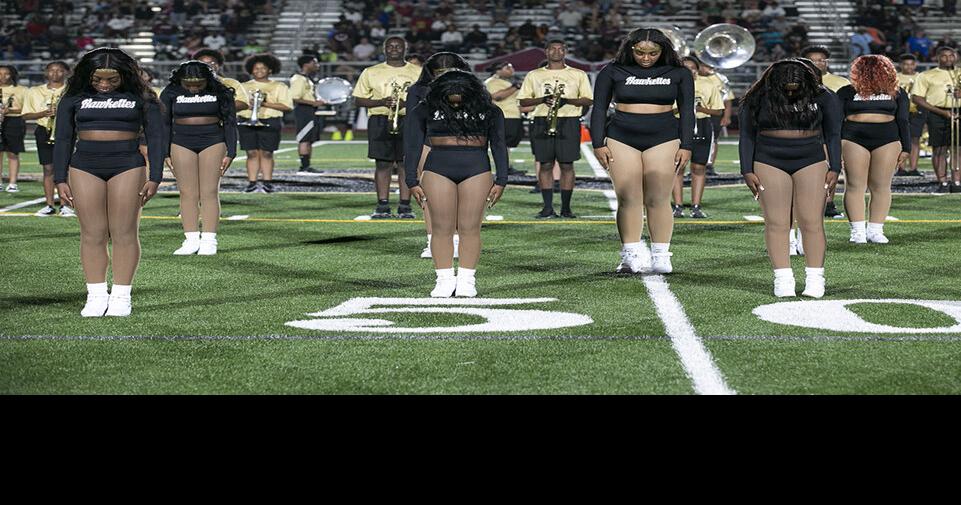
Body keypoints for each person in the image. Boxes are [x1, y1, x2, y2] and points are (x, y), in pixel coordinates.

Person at [52, 47, 164, 317]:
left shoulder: (143, 98)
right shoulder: (72, 98)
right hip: (85, 165)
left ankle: (122, 296)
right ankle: (96, 295)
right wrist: (60, 178)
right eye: (97, 80)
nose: (104, 85)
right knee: (93, 233)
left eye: (111, 80)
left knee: (124, 232)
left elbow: (157, 138)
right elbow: (64, 139)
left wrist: (156, 176)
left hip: (127, 163)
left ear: (124, 75)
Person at [590, 28, 694, 274]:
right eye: (640, 53)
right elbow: (599, 109)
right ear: (630, 49)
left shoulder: (679, 73)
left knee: (658, 197)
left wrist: (687, 145)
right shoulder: (612, 71)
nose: (646, 58)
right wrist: (598, 143)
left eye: (653, 53)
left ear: (663, 51)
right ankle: (630, 254)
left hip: (664, 136)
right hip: (622, 136)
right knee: (628, 196)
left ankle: (661, 254)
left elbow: (687, 111)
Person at [739, 59, 842, 298]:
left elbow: (833, 134)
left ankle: (816, 278)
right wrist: (747, 169)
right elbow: (746, 136)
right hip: (768, 159)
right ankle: (783, 278)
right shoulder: (757, 98)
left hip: (811, 158)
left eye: (796, 87)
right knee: (777, 222)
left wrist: (835, 167)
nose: (790, 92)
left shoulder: (824, 97)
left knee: (812, 221)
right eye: (786, 87)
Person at [405, 70, 507, 297]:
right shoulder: (424, 109)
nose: (456, 93)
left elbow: (499, 146)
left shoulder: (490, 111)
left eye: (460, 89)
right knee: (442, 228)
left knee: (470, 227)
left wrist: (502, 179)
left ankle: (467, 280)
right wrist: (411, 180)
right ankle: (443, 279)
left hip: (477, 168)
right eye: (451, 89)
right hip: (438, 168)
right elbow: (412, 146)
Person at [160, 60, 237, 256]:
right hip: (180, 141)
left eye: (199, 85)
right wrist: (165, 151)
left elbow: (229, 122)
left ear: (207, 81)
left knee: (209, 192)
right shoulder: (170, 92)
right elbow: (165, 124)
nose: (193, 89)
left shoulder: (221, 92)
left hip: (213, 140)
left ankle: (209, 240)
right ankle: (191, 239)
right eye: (189, 85)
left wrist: (231, 152)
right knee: (187, 192)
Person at [837, 55, 911, 245]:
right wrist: (834, 146)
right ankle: (858, 230)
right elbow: (836, 122)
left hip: (887, 138)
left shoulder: (898, 92)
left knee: (881, 186)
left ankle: (876, 230)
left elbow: (903, 120)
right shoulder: (845, 91)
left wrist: (906, 147)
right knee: (855, 185)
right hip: (853, 138)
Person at [518, 39, 593, 219]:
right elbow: (523, 101)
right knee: (545, 164)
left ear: (565, 51)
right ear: (546, 52)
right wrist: (543, 99)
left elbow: (588, 100)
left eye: (561, 49)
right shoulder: (534, 75)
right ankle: (547, 207)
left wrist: (566, 101)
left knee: (567, 164)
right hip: (542, 120)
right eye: (553, 49)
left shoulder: (578, 74)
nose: (557, 52)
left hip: (569, 120)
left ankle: (566, 208)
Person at [405, 52, 471, 258]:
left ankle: (458, 241)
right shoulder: (418, 90)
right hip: (429, 143)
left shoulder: (473, 89)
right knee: (428, 195)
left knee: (463, 195)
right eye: (439, 73)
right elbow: (413, 124)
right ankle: (432, 240)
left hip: (464, 143)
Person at [352, 36, 422, 218]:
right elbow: (358, 100)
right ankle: (382, 204)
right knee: (382, 163)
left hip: (409, 121)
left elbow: (427, 98)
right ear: (384, 49)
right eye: (390, 46)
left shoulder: (418, 71)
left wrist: (409, 103)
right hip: (380, 120)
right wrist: (381, 101)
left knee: (406, 164)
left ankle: (405, 205)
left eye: (398, 46)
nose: (394, 49)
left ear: (405, 48)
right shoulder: (370, 71)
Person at [801, 45, 850, 218]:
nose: (818, 63)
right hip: (805, 131)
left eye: (821, 60)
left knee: (832, 165)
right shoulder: (796, 82)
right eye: (813, 60)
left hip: (831, 131)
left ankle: (828, 203)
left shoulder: (842, 82)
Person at [673, 55, 724, 219]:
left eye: (692, 68)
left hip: (702, 126)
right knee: (677, 167)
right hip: (678, 126)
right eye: (685, 68)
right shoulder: (673, 84)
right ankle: (678, 206)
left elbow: (718, 110)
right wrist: (684, 107)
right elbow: (666, 109)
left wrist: (701, 109)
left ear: (697, 69)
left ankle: (696, 206)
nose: (689, 71)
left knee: (698, 167)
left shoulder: (709, 85)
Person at [21, 61, 74, 216]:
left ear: (66, 72)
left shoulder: (72, 91)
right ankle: (49, 205)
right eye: (51, 70)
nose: (55, 74)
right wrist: (44, 113)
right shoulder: (34, 91)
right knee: (48, 168)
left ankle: (66, 205)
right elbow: (25, 115)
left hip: (66, 131)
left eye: (59, 71)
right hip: (44, 130)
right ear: (46, 73)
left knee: (65, 169)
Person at [237, 53, 292, 193]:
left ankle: (267, 182)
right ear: (251, 70)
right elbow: (236, 105)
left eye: (263, 68)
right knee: (251, 153)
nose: (259, 71)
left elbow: (287, 106)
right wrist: (246, 105)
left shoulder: (280, 86)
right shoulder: (243, 86)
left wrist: (264, 104)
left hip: (271, 121)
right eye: (256, 68)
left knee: (267, 153)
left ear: (270, 70)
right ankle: (252, 182)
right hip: (246, 121)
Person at [912, 46, 961, 193]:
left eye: (951, 55)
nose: (948, 59)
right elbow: (916, 98)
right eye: (944, 56)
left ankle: (957, 181)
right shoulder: (926, 75)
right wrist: (941, 112)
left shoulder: (959, 73)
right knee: (939, 148)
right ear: (937, 58)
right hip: (937, 113)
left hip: (959, 111)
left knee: (958, 149)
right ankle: (943, 181)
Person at [289, 54, 326, 174]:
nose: (317, 65)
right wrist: (314, 103)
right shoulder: (298, 78)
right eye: (314, 63)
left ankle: (307, 165)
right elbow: (294, 97)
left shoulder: (306, 78)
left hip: (309, 110)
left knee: (309, 139)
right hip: (303, 110)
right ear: (306, 65)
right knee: (304, 138)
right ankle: (304, 166)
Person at [697, 60, 734, 176]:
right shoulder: (693, 76)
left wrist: (727, 116)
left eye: (707, 65)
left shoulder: (720, 78)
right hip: (694, 114)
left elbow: (727, 99)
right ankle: (697, 164)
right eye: (702, 65)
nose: (705, 68)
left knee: (713, 139)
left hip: (714, 114)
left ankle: (709, 165)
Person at [896, 53, 926, 177]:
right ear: (900, 65)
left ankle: (913, 168)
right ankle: (901, 167)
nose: (909, 67)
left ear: (915, 65)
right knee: (899, 140)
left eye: (911, 64)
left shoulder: (920, 77)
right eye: (905, 64)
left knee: (915, 140)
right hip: (899, 111)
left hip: (916, 111)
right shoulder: (896, 77)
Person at [194, 48, 250, 113]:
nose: (207, 66)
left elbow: (243, 103)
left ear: (219, 65)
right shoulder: (187, 83)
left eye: (212, 63)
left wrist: (215, 107)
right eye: (202, 64)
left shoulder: (231, 83)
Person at [0, 65, 28, 193]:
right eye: (0, 73)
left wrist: (9, 110)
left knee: (12, 153)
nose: (3, 76)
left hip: (14, 121)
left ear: (12, 75)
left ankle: (12, 183)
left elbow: (27, 108)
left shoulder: (21, 90)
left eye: (6, 73)